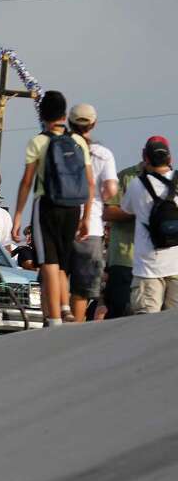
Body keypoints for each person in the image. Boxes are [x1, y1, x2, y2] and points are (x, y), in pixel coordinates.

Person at [11, 89, 95, 326]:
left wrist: (18, 215)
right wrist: (87, 216)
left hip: (46, 204)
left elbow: (27, 181)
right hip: (73, 206)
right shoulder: (79, 141)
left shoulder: (37, 141)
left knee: (49, 260)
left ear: (43, 115)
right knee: (62, 259)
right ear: (64, 113)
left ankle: (56, 318)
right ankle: (66, 307)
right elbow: (90, 182)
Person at [63, 104, 118, 321]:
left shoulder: (60, 148)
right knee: (81, 291)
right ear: (93, 124)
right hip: (91, 227)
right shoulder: (103, 154)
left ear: (70, 122)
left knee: (58, 278)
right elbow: (112, 188)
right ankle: (75, 329)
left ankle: (55, 324)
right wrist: (100, 201)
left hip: (62, 222)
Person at [118, 136, 178, 313]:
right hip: (176, 266)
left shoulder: (137, 185)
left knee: (146, 326)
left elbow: (127, 209)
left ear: (146, 160)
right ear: (170, 159)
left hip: (147, 267)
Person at [103, 159, 144, 319]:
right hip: (125, 258)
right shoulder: (127, 177)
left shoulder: (173, 182)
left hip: (163, 264)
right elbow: (108, 212)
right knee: (120, 313)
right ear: (144, 156)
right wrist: (140, 213)